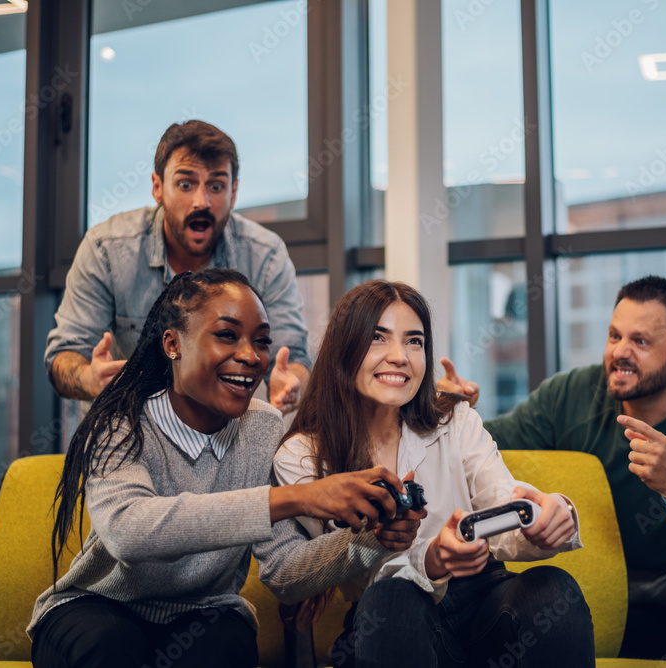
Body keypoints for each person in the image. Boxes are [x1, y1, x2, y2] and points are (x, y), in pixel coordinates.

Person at [29, 269, 415, 668]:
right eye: (227, 335)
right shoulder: (121, 421)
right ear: (173, 343)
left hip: (202, 613)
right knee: (111, 646)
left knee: (224, 646)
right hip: (99, 607)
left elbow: (284, 570)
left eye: (261, 341)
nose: (251, 355)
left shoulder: (262, 427)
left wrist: (374, 540)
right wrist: (298, 496)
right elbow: (128, 531)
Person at [439, 276, 666, 665]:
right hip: (596, 560)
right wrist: (456, 414)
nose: (620, 352)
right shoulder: (570, 395)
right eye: (615, 336)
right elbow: (488, 450)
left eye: (640, 342)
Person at [272, 279, 594, 668]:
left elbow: (503, 498)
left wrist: (545, 517)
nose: (400, 356)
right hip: (392, 617)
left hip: (484, 605)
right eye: (378, 338)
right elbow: (340, 563)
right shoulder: (302, 456)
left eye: (414, 341)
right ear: (344, 349)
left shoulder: (454, 419)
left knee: (553, 589)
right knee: (391, 598)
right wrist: (431, 559)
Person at [45, 120, 308, 414]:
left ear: (233, 193)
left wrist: (290, 383)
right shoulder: (106, 249)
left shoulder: (267, 256)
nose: (201, 201)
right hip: (127, 435)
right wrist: (90, 379)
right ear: (157, 188)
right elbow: (63, 355)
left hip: (224, 443)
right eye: (185, 184)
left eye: (216, 186)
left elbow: (294, 356)